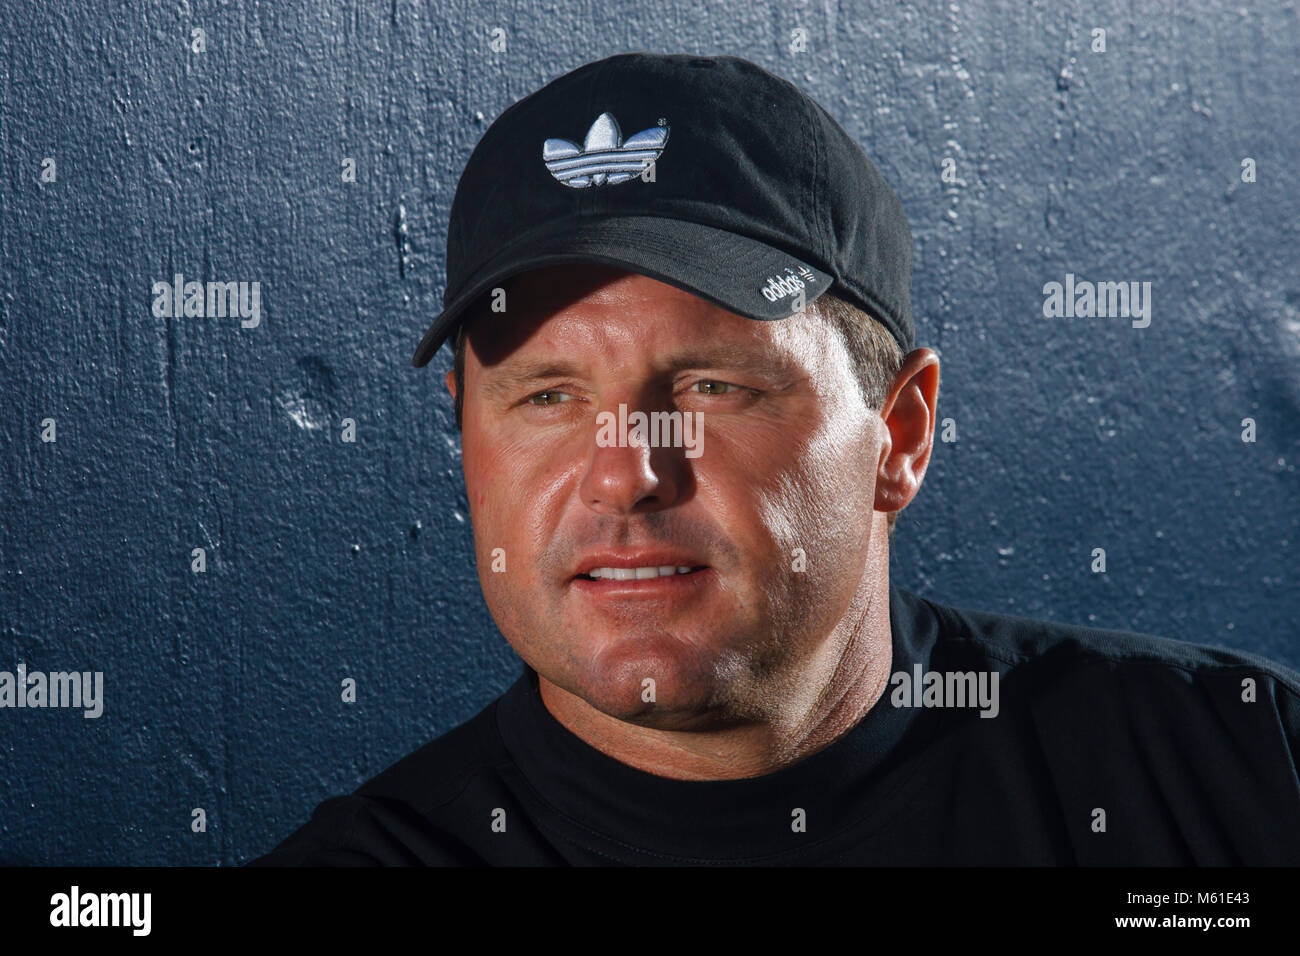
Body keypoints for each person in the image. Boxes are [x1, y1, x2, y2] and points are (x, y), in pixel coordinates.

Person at [249, 52, 1300, 866]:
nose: (624, 473)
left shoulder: (1237, 774)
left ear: (901, 432)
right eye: (548, 397)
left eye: (714, 387)